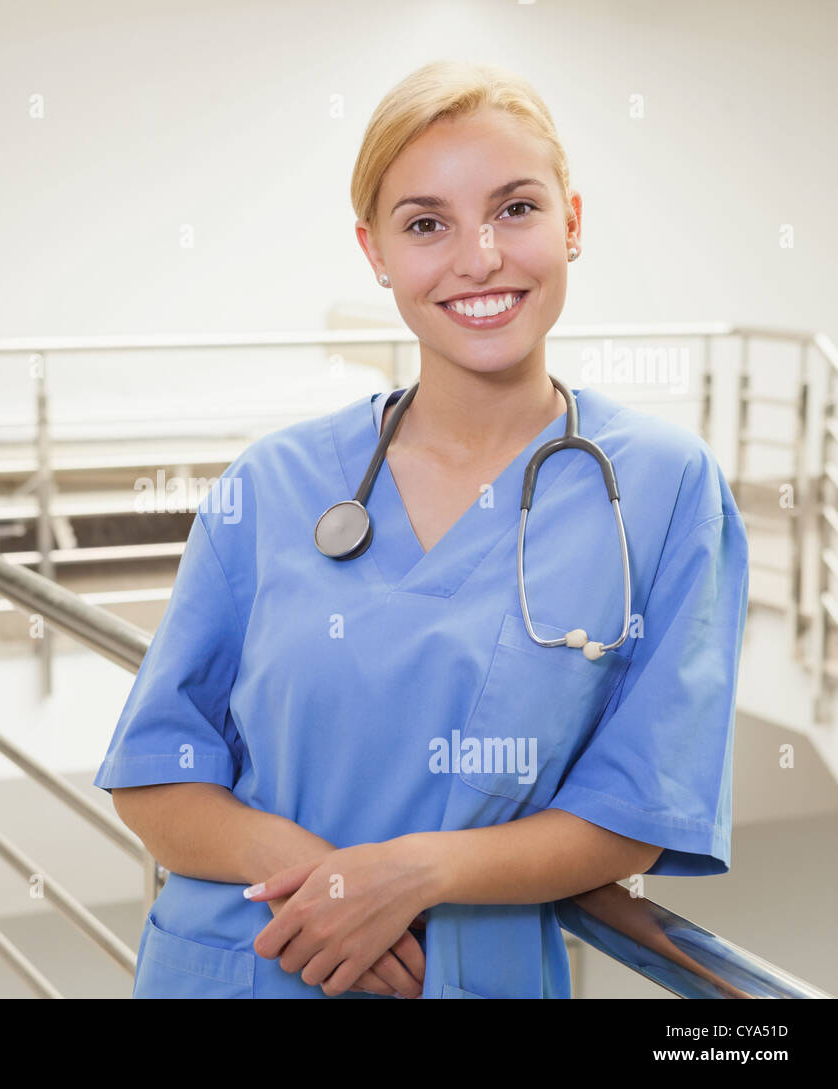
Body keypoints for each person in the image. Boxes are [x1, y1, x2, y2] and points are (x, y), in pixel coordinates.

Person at [92, 59, 750, 999]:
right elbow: (155, 773)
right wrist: (329, 884)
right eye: (427, 224)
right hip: (243, 960)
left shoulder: (664, 489)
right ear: (376, 252)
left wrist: (417, 875)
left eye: (515, 209)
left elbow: (638, 807)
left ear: (572, 221)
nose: (477, 257)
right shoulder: (273, 483)